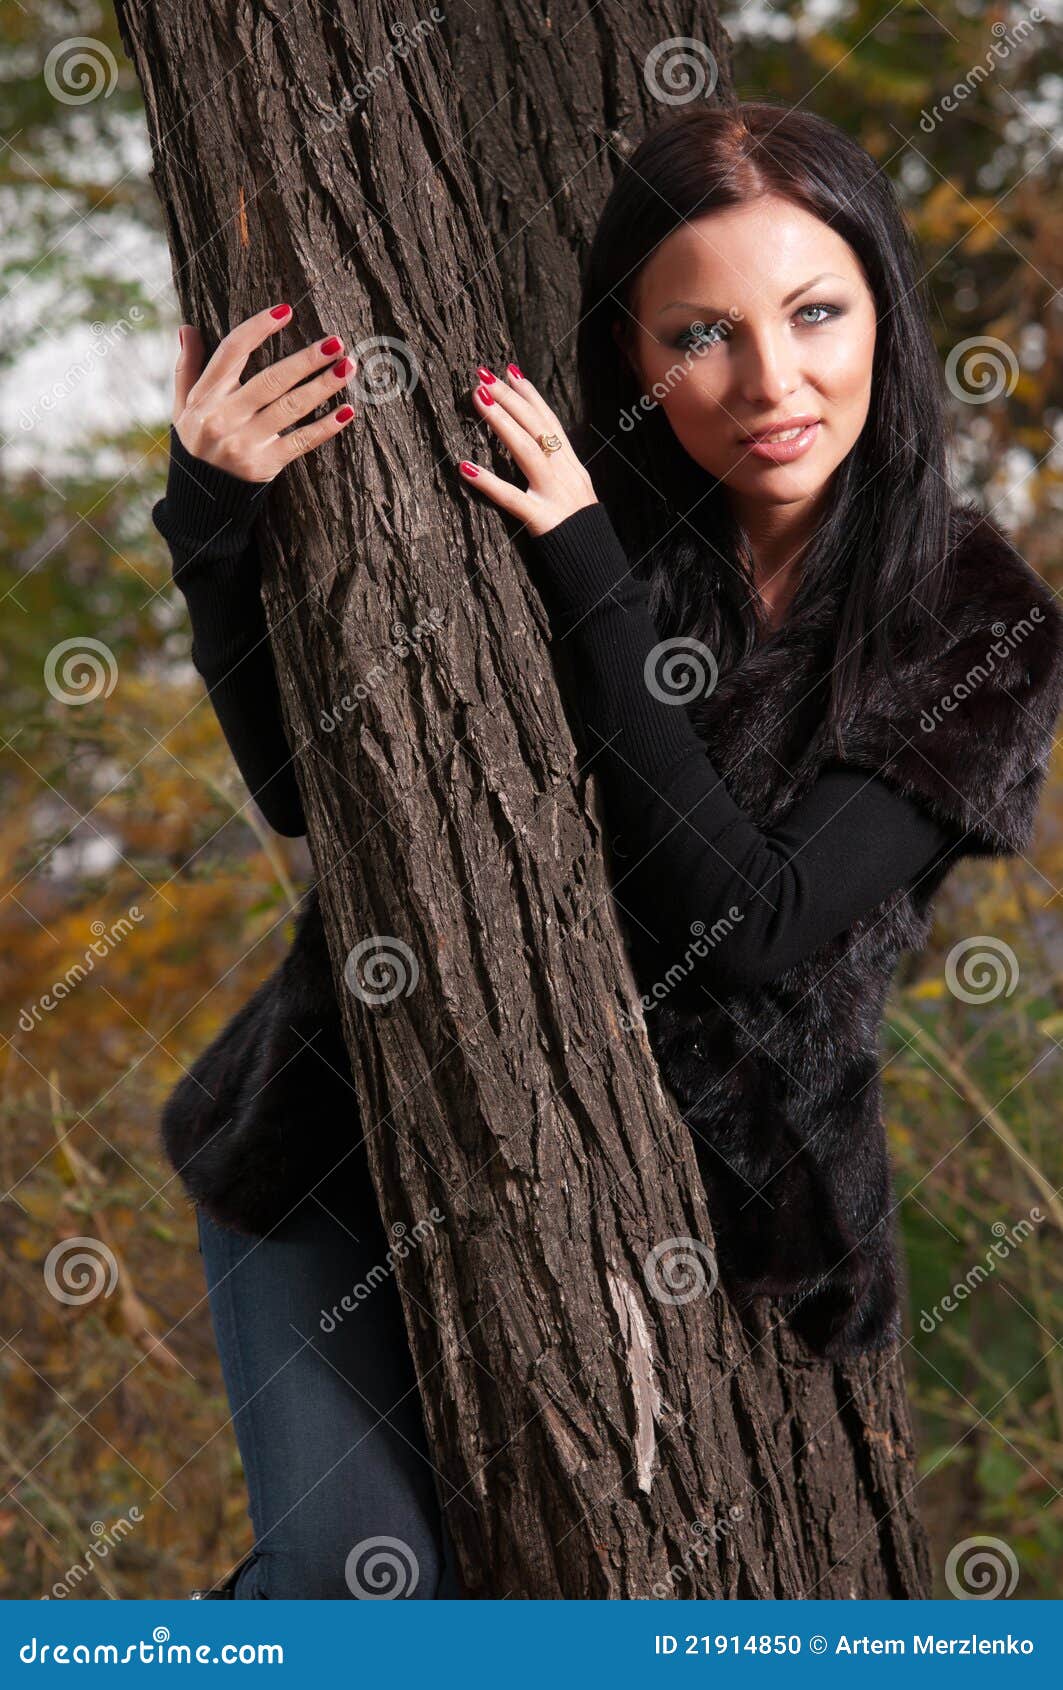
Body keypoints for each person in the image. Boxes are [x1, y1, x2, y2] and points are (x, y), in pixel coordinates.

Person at [153, 101, 1063, 1598]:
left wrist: (587, 581)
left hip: (699, 1213)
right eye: (701, 334)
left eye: (818, 312)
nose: (774, 382)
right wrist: (215, 522)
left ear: (888, 317)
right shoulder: (577, 498)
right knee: (353, 1575)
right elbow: (315, 792)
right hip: (344, 1125)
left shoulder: (978, 620)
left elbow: (755, 921)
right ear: (634, 359)